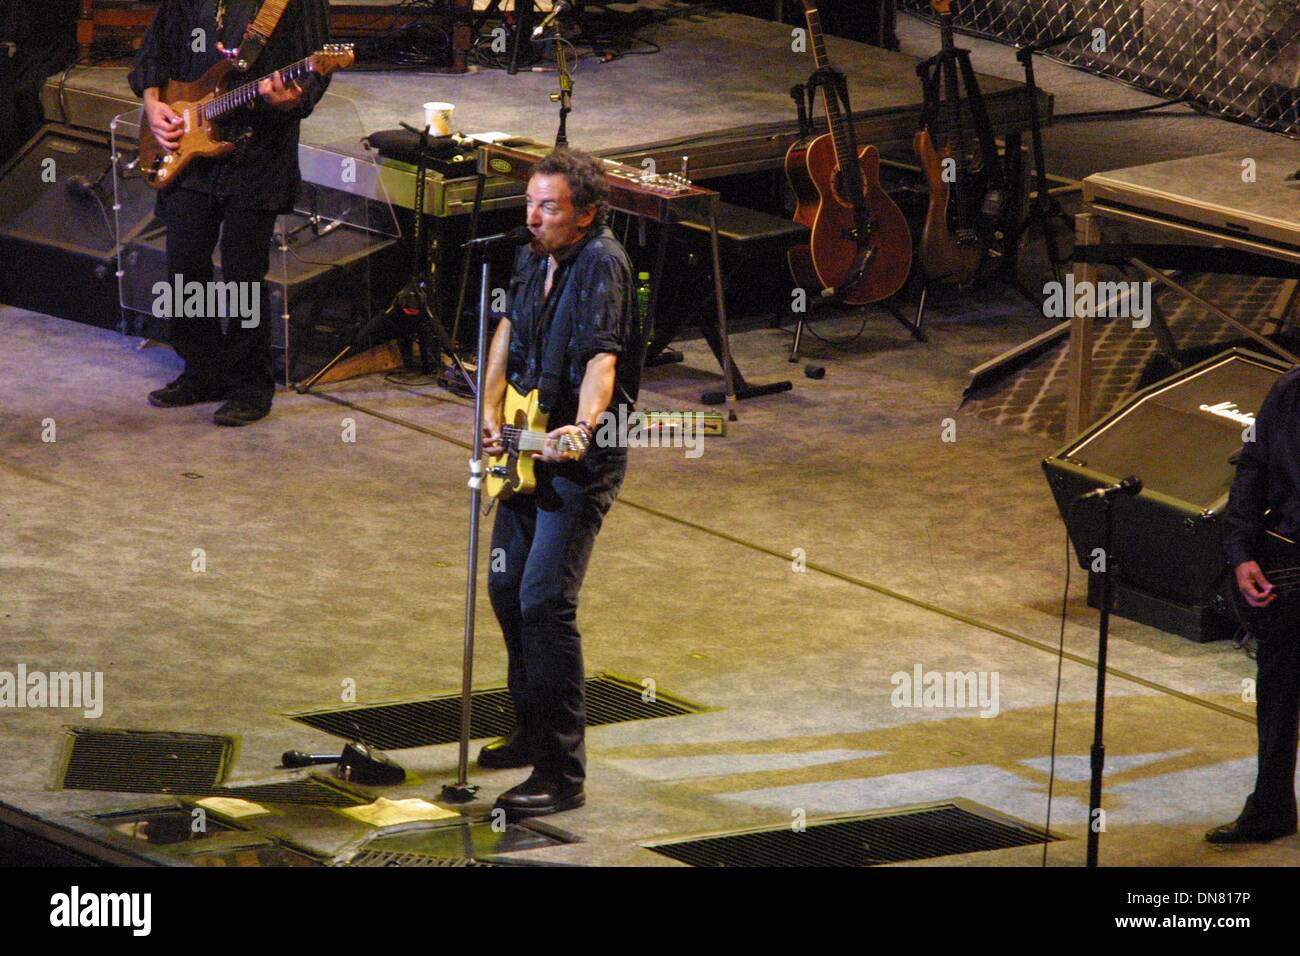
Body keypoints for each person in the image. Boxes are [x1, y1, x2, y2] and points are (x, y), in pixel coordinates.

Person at [479, 148, 641, 818]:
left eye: (549, 207)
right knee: (506, 585)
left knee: (546, 601)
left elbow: (602, 357)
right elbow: (507, 332)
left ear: (586, 214)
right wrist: (489, 411)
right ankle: (532, 729)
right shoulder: (527, 256)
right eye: (530, 204)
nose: (534, 217)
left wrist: (584, 423)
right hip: (522, 445)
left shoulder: (602, 262)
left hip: (578, 461)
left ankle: (561, 773)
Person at [128, 0, 331, 425]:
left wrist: (288, 101)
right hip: (189, 143)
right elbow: (156, 48)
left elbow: (310, 80)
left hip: (258, 153)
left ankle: (249, 386)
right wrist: (153, 104)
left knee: (242, 273)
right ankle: (202, 370)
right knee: (185, 265)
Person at [1214, 365, 1300, 843]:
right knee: (1278, 694)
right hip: (1286, 563)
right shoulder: (1290, 388)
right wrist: (1242, 553)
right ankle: (1270, 808)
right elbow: (1253, 466)